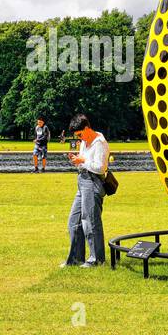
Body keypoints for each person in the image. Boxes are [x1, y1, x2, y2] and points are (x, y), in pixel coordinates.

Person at [62, 112, 110, 268]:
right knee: (73, 221)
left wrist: (83, 160)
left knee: (91, 221)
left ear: (87, 128)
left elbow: (100, 167)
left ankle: (97, 259)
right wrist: (77, 160)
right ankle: (76, 258)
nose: (80, 138)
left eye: (81, 134)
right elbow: (84, 162)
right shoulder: (84, 142)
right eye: (77, 135)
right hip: (82, 181)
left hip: (93, 182)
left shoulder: (100, 143)